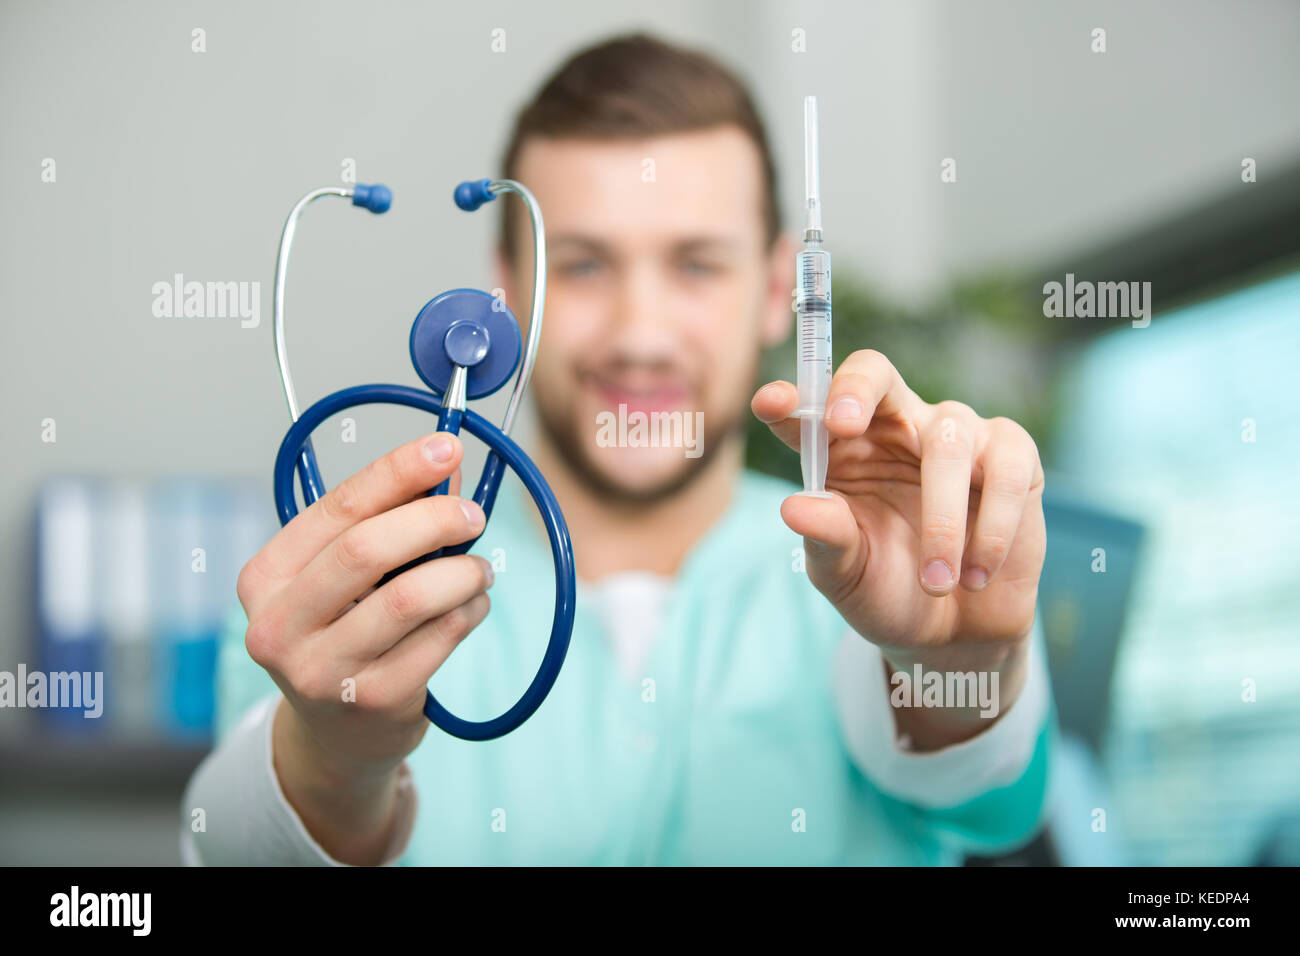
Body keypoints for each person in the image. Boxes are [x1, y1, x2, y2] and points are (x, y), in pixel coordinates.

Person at [182, 32, 1054, 866]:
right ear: (507, 293)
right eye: (586, 266)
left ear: (778, 289)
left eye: (696, 265)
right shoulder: (337, 597)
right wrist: (333, 758)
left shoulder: (892, 561)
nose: (640, 336)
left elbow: (992, 801)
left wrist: (952, 664)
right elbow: (235, 850)